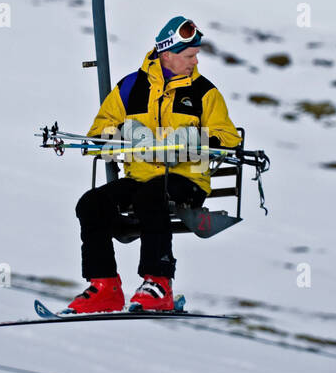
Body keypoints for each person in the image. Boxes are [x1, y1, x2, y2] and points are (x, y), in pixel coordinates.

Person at [67, 17, 241, 313]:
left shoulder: (203, 92)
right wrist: (124, 136)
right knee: (91, 203)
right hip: (140, 178)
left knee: (152, 196)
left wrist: (192, 140)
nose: (195, 61)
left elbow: (228, 137)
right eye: (189, 56)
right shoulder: (131, 88)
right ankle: (104, 285)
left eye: (196, 55)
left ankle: (158, 283)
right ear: (167, 55)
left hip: (187, 180)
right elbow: (99, 132)